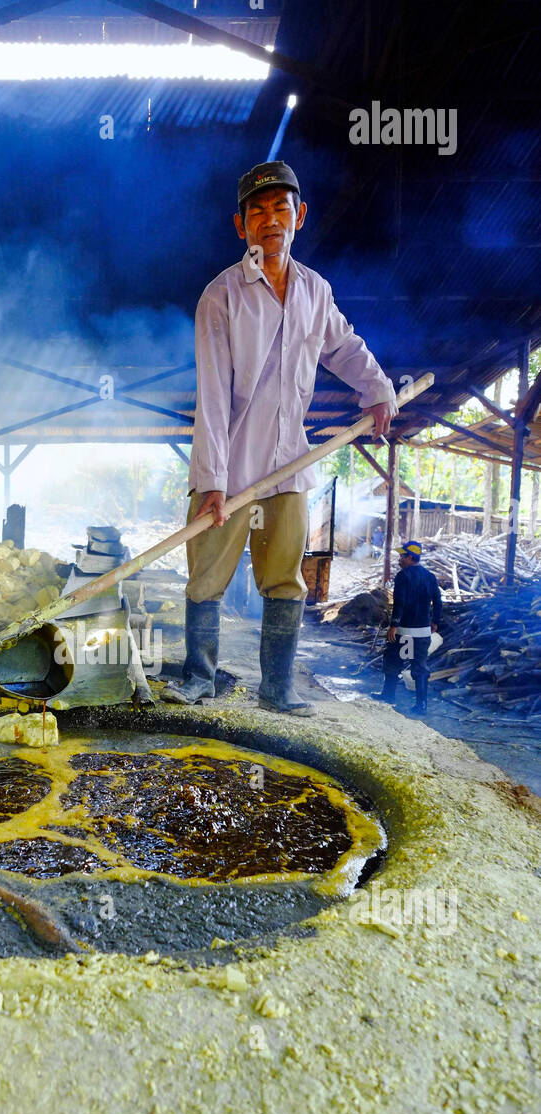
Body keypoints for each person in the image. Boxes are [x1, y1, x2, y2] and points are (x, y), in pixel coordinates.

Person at [163, 160, 397, 715]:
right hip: (229, 468)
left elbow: (343, 347)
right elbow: (213, 397)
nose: (271, 220)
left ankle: (277, 688)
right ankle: (199, 676)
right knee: (207, 577)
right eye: (258, 212)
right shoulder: (221, 297)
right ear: (241, 226)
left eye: (281, 209)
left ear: (300, 216)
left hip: (290, 464)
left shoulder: (316, 291)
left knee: (284, 579)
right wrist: (215, 481)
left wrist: (379, 390)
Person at [373, 539, 442, 716]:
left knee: (394, 661)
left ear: (411, 557)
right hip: (422, 632)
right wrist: (435, 621)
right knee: (419, 666)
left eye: (402, 556)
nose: (399, 559)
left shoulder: (403, 576)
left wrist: (394, 625)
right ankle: (421, 705)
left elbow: (400, 603)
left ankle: (388, 696)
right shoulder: (430, 577)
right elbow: (438, 601)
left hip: (405, 632)